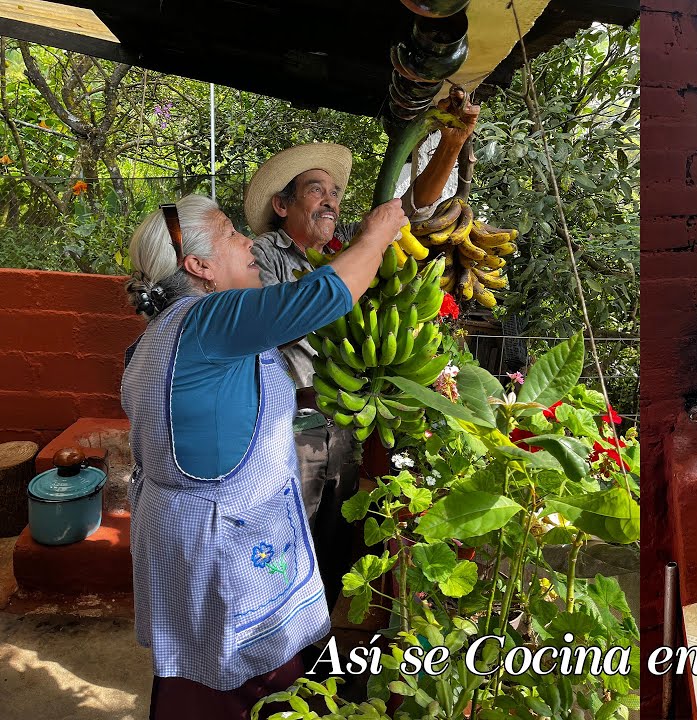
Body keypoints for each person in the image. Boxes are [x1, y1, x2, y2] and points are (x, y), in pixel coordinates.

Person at [120, 193, 406, 719]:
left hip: (186, 543)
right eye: (231, 233)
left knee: (195, 680)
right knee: (245, 687)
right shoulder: (206, 319)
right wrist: (377, 235)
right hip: (223, 550)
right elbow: (322, 296)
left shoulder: (156, 339)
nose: (248, 242)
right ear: (199, 266)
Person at [245, 96, 479, 611]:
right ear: (282, 206)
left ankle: (319, 638)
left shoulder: (350, 248)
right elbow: (278, 318)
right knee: (289, 531)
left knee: (334, 532)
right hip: (290, 419)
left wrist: (451, 145)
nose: (330, 201)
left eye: (334, 192)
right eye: (315, 191)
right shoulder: (261, 254)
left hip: (343, 417)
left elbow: (406, 213)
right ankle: (277, 633)